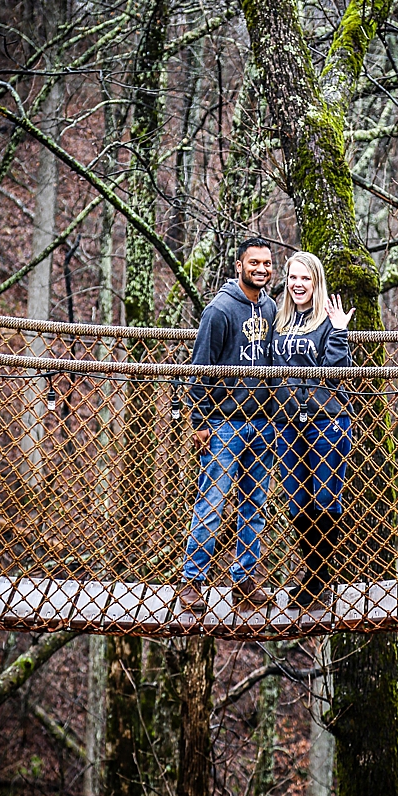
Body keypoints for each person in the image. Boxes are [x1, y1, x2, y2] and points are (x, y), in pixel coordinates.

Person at [178, 237, 277, 615]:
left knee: (255, 505)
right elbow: (199, 367)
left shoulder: (269, 307)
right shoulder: (218, 311)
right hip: (224, 423)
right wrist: (199, 421)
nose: (261, 269)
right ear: (239, 266)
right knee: (212, 503)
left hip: (263, 423)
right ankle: (192, 581)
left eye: (267, 263)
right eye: (254, 263)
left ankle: (244, 579)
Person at [271, 251, 355, 610]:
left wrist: (339, 332)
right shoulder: (279, 321)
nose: (298, 284)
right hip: (286, 423)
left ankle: (316, 581)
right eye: (293, 278)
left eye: (305, 278)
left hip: (326, 420)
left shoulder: (326, 321)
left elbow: (339, 371)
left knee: (324, 499)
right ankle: (315, 575)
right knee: (296, 502)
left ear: (316, 282)